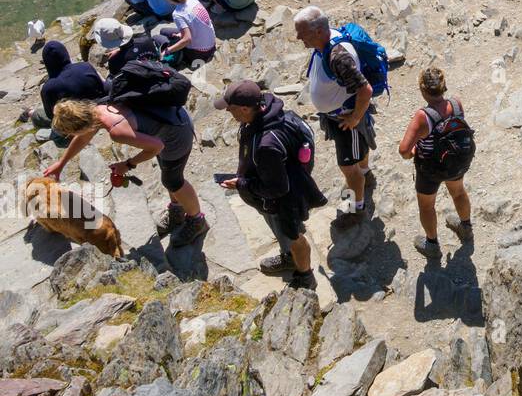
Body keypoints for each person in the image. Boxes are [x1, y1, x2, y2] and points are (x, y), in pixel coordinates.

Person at [48, 97, 208, 246]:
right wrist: (61, 164)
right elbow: (83, 138)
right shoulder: (100, 108)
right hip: (172, 118)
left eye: (72, 133)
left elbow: (156, 147)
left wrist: (128, 164)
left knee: (173, 181)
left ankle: (197, 221)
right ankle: (177, 210)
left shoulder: (116, 131)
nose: (73, 136)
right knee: (167, 173)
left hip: (176, 135)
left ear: (80, 127)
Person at [216, 81, 327, 290]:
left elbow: (278, 189)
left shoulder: (267, 145)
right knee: (281, 228)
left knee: (292, 234)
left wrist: (242, 183)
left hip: (283, 197)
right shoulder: (270, 112)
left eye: (230, 109)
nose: (228, 113)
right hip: (283, 178)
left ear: (245, 108)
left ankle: (305, 276)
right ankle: (289, 255)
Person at [295, 5, 376, 227]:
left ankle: (355, 210)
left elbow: (365, 91)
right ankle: (366, 174)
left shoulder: (338, 57)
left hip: (346, 121)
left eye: (302, 33)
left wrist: (355, 119)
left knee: (349, 169)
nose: (298, 38)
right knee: (358, 159)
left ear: (319, 31)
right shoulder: (329, 41)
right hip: (341, 117)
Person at [398, 65, 474, 258]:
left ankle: (432, 245)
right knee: (458, 192)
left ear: (423, 90)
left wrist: (413, 153)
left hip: (430, 169)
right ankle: (465, 227)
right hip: (455, 161)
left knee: (426, 206)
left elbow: (404, 150)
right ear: (444, 86)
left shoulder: (423, 117)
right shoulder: (456, 104)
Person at [31, 41, 104, 133]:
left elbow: (51, 116)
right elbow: (102, 87)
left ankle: (30, 113)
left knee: (37, 115)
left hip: (76, 124)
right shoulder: (85, 66)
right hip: (99, 108)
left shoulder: (48, 88)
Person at [157, 0, 217, 69]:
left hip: (200, 52)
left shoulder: (177, 14)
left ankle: (183, 58)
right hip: (211, 43)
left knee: (163, 41)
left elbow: (187, 39)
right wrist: (181, 34)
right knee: (164, 31)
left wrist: (167, 51)